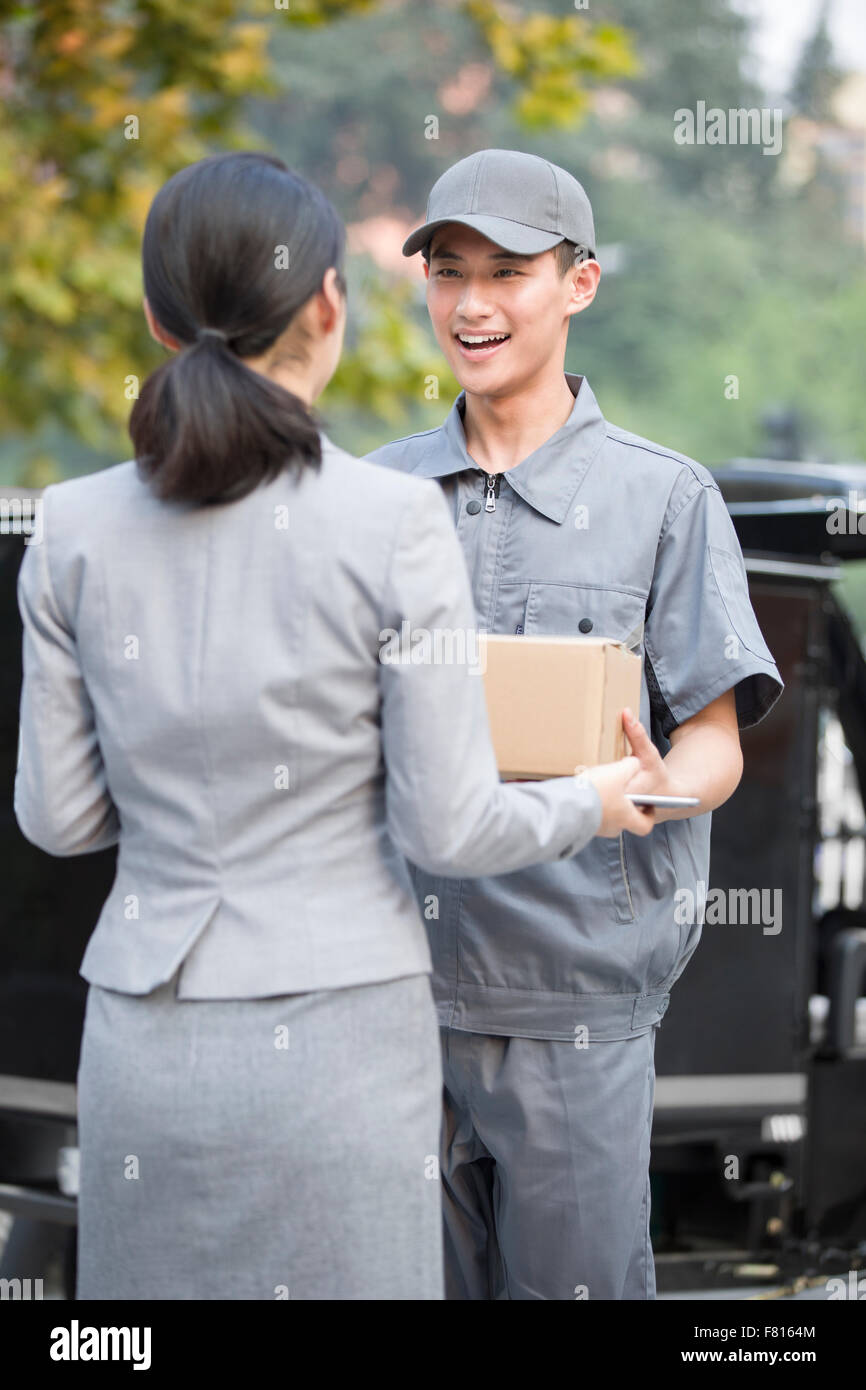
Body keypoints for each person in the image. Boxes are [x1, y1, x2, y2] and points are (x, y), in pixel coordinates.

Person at [12, 150, 655, 1302]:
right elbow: (450, 823)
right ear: (325, 304)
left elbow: (58, 819)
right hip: (339, 1045)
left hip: (143, 1048)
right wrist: (593, 800)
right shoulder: (391, 520)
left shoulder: (72, 527)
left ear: (159, 321)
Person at [364, 148, 785, 1300]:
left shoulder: (665, 499)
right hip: (390, 1002)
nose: (472, 304)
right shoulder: (371, 496)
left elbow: (714, 741)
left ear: (579, 284)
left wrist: (661, 783)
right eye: (448, 272)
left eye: (507, 271)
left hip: (574, 1009)